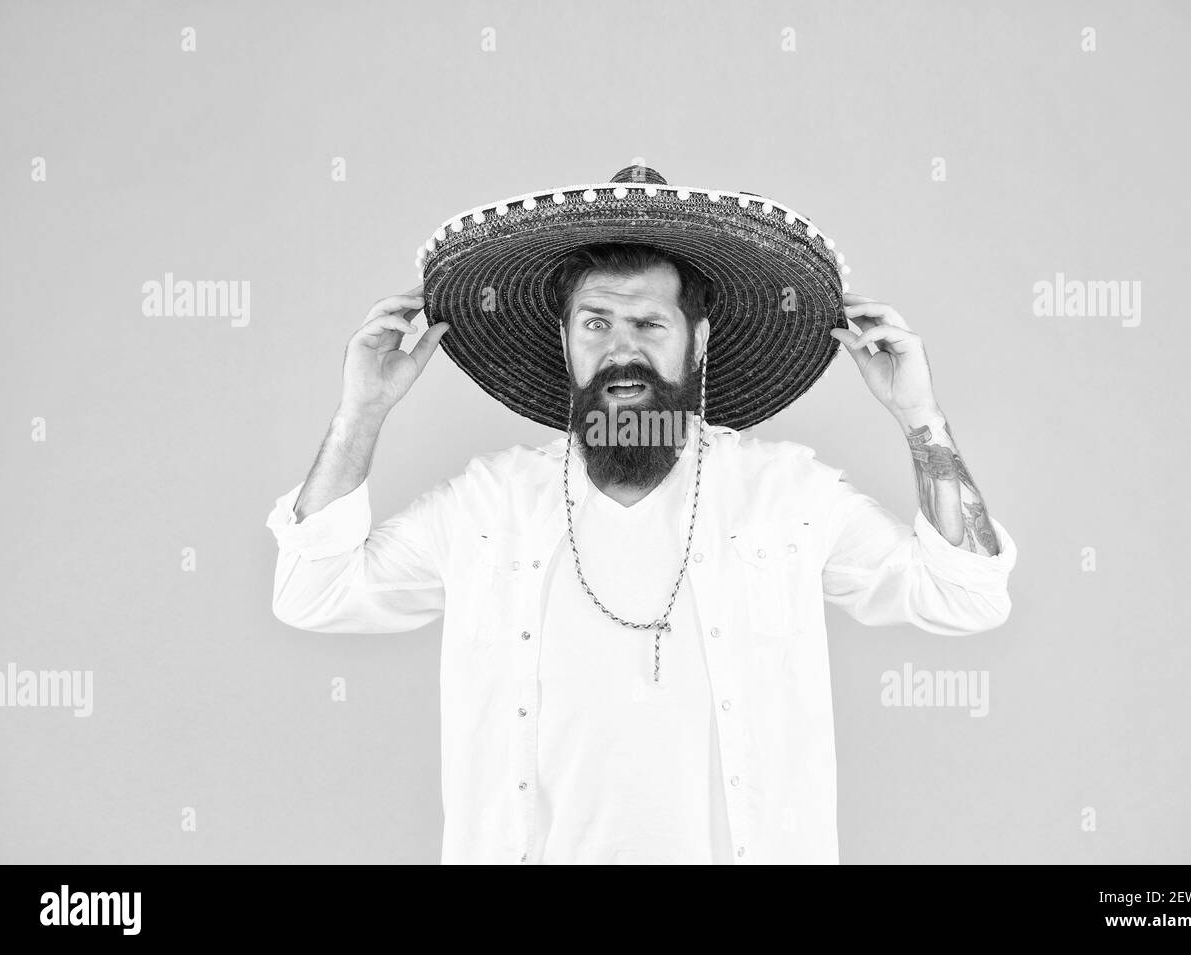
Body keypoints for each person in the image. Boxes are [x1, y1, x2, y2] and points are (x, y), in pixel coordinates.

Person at [266, 163, 1018, 864]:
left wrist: (920, 417)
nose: (620, 349)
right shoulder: (489, 505)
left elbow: (966, 595)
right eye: (595, 323)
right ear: (564, 341)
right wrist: (361, 411)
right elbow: (313, 593)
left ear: (699, 342)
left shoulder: (784, 496)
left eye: (649, 325)